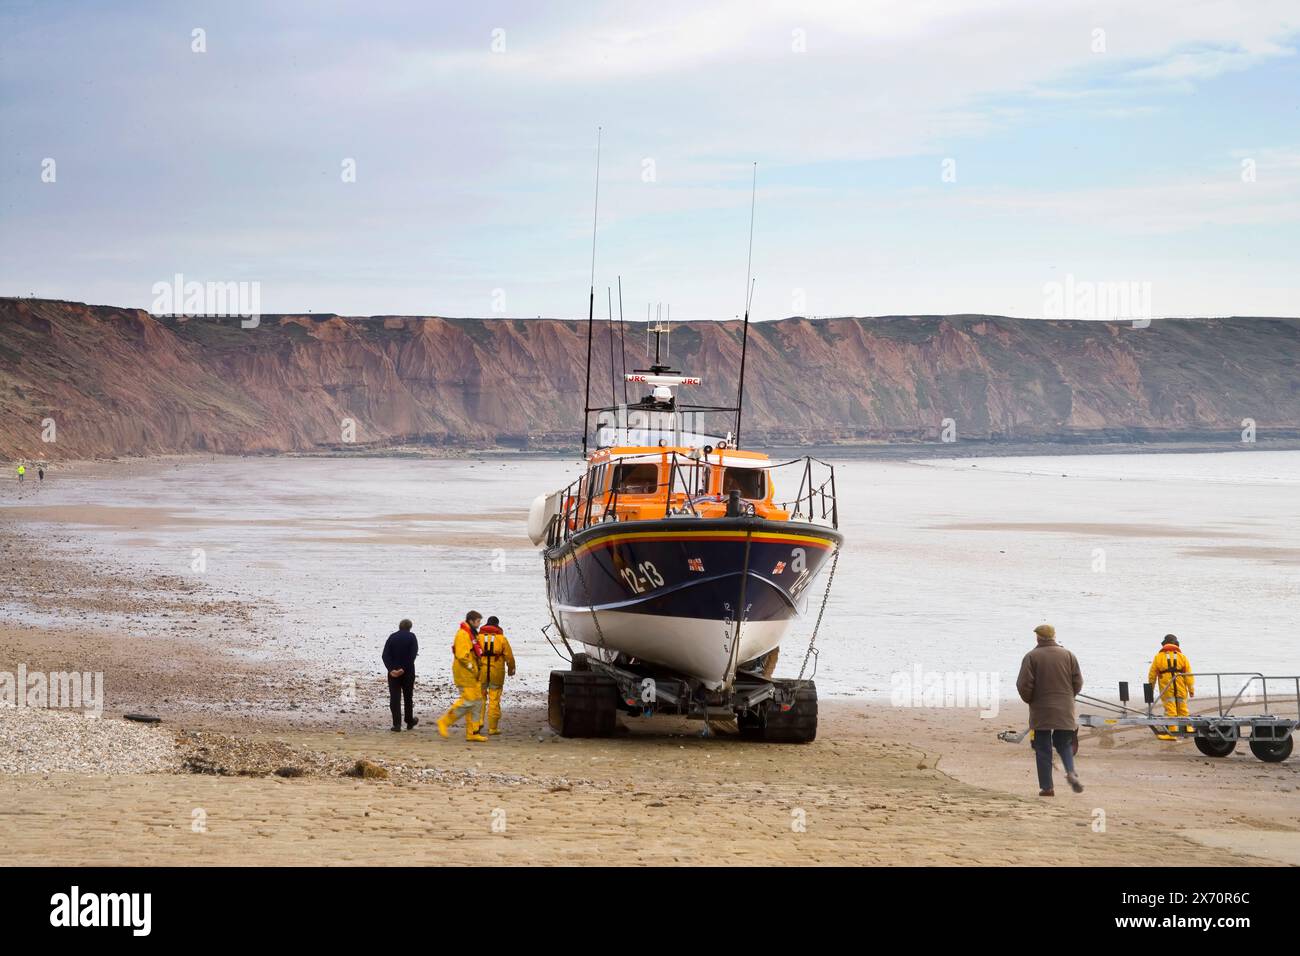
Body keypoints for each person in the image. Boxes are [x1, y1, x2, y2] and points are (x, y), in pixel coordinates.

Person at [1016, 623, 1084, 797]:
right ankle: (1070, 771)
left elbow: (1024, 684)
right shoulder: (1069, 655)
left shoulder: (1032, 656)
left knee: (1043, 747)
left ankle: (1047, 788)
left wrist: (1030, 700)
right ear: (1054, 636)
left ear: (1038, 637)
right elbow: (1078, 682)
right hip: (1065, 707)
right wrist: (1069, 697)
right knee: (1064, 744)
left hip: (1041, 708)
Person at [436, 611, 488, 742]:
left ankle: (473, 732)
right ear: (471, 621)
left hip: (474, 674)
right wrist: (472, 667)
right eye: (477, 621)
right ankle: (444, 721)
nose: (479, 624)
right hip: (465, 674)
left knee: (478, 702)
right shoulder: (463, 635)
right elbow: (461, 656)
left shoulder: (472, 634)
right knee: (468, 701)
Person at [1147, 634, 1194, 739]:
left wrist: (1150, 688)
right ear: (1176, 644)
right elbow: (1189, 675)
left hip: (1167, 686)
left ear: (1164, 644)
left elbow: (1152, 675)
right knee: (1183, 708)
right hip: (1181, 685)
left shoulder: (1159, 657)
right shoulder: (1182, 657)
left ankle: (1172, 733)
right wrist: (1191, 689)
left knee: (1170, 709)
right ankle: (1187, 729)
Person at [478, 616, 516, 735]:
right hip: (497, 673)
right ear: (497, 626)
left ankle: (478, 723)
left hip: (481, 672)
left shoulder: (477, 638)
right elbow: (509, 657)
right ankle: (492, 728)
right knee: (494, 699)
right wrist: (511, 669)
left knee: (480, 698)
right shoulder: (502, 639)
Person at [382, 618, 419, 732]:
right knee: (408, 697)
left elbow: (385, 655)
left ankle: (396, 724)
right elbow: (412, 655)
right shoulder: (412, 637)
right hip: (407, 672)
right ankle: (409, 721)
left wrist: (391, 669)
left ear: (399, 626)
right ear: (410, 627)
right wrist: (403, 668)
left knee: (395, 698)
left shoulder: (392, 637)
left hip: (393, 673)